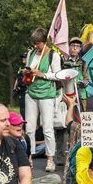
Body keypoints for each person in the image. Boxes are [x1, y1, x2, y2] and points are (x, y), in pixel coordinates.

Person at [23, 28, 61, 173]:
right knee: (30, 128)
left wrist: (42, 74)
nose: (35, 46)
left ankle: (50, 159)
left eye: (38, 43)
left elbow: (57, 75)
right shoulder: (31, 53)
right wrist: (27, 72)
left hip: (47, 94)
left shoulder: (53, 55)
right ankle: (29, 157)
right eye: (34, 43)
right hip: (31, 93)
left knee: (47, 128)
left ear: (45, 42)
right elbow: (28, 69)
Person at [7, 111, 58, 184]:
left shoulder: (25, 139)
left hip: (24, 179)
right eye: (16, 124)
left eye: (21, 123)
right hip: (9, 182)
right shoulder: (3, 142)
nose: (20, 126)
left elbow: (27, 164)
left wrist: (27, 181)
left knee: (56, 179)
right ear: (7, 125)